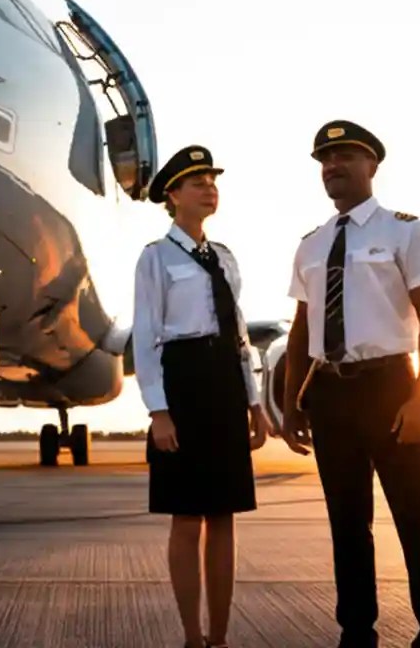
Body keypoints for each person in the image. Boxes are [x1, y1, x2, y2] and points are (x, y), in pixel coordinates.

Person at [279, 120, 420, 647]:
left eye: (344, 156)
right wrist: (292, 406)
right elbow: (300, 330)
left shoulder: (406, 231)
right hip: (330, 395)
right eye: (324, 160)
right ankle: (356, 632)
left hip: (389, 388)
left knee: (416, 517)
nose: (332, 166)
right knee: (348, 524)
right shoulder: (310, 245)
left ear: (371, 166)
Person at [132, 144, 276, 648]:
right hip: (184, 383)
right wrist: (158, 411)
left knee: (224, 516)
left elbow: (238, 336)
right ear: (173, 195)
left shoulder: (225, 259)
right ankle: (192, 635)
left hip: (224, 386)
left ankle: (220, 636)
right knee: (187, 517)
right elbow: (146, 338)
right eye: (198, 182)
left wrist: (254, 403)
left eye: (213, 180)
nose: (210, 187)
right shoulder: (155, 259)